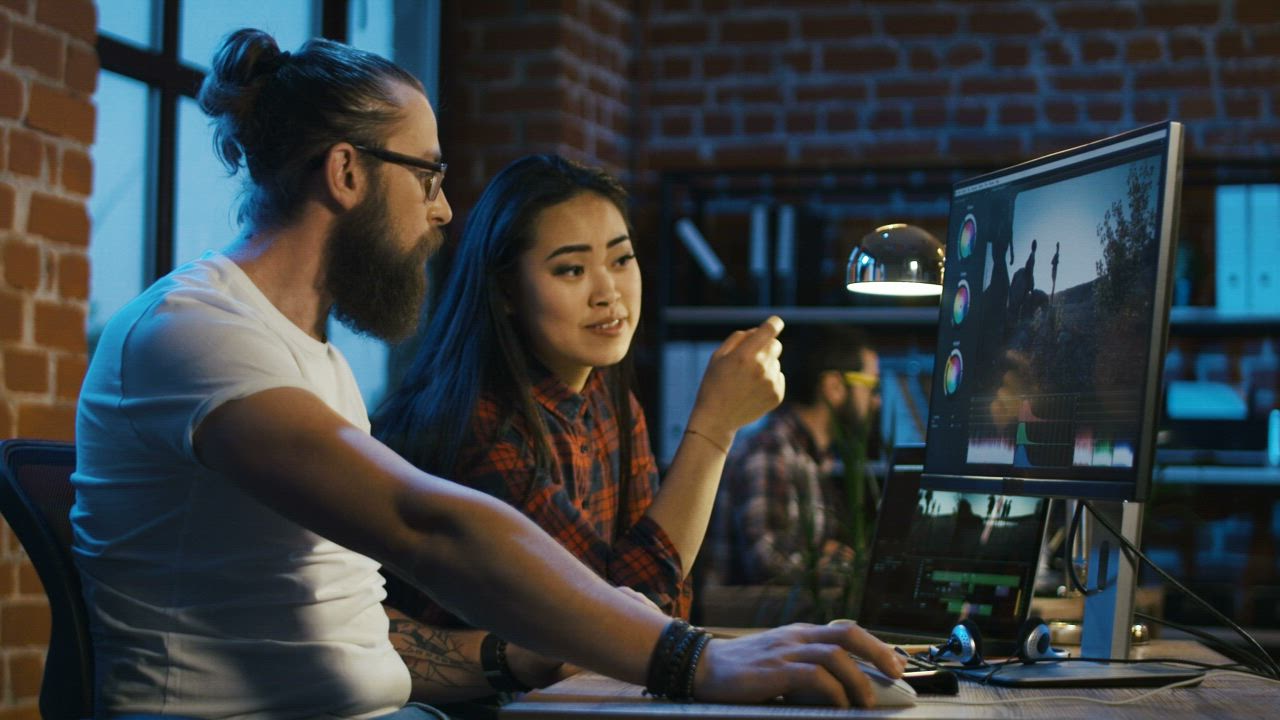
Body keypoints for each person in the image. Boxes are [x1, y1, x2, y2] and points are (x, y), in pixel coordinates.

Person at [71, 29, 902, 719]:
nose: (443, 210)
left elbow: (359, 630)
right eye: (428, 174)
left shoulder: (310, 360)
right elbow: (425, 525)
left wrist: (517, 655)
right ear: (347, 172)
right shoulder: (195, 333)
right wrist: (696, 662)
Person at [373, 154, 794, 703]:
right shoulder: (478, 426)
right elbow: (609, 630)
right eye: (571, 270)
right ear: (504, 291)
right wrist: (713, 429)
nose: (608, 293)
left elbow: (663, 607)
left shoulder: (605, 400)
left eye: (621, 260)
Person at [708, 325, 881, 587]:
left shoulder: (810, 456)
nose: (876, 401)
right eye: (872, 386)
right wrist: (847, 567)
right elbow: (765, 562)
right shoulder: (771, 449)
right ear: (834, 386)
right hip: (750, 626)